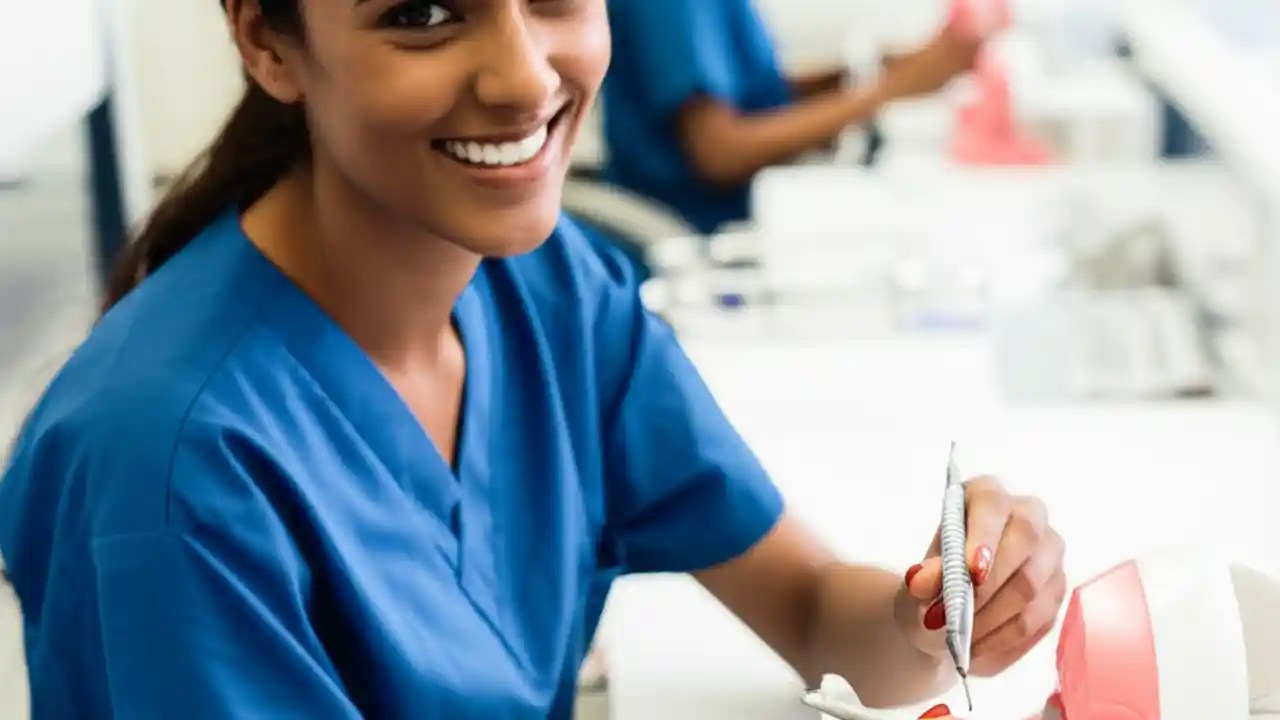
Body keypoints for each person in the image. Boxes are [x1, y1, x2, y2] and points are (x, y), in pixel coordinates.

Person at [0, 2, 1064, 718]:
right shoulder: (168, 466)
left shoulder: (557, 294)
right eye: (421, 13)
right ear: (268, 41)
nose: (521, 75)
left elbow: (813, 613)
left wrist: (940, 605)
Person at [602, 0, 989, 234]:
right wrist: (889, 89)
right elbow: (718, 152)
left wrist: (866, 77)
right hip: (689, 232)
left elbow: (747, 89)